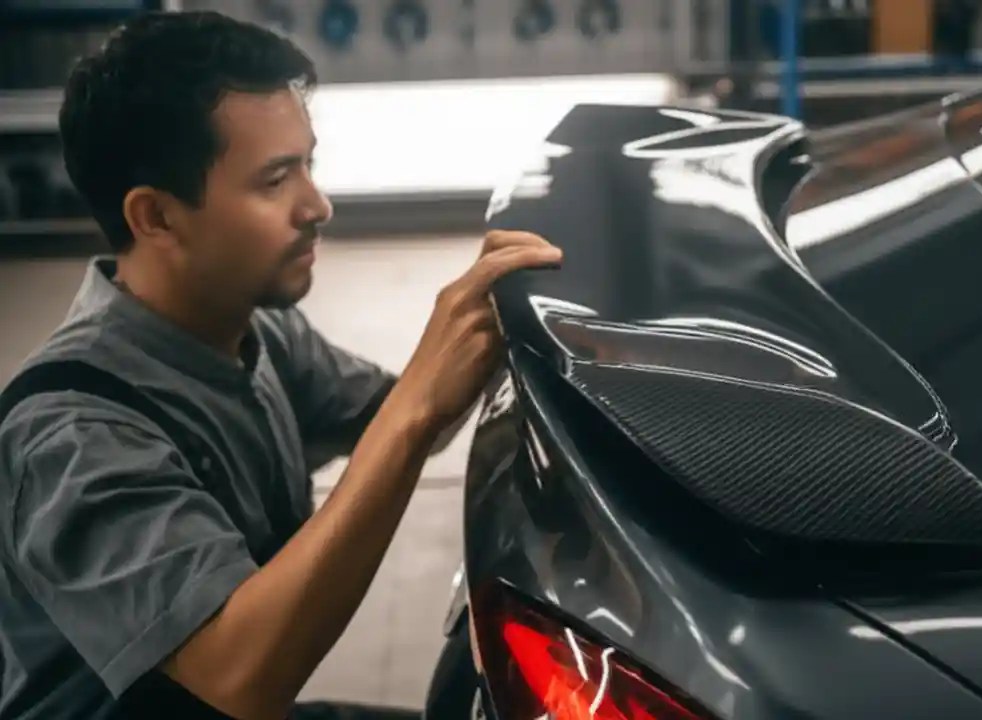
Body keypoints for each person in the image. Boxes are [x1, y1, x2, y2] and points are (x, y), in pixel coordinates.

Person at [0, 10, 561, 720]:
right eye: (273, 181)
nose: (318, 205)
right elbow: (242, 679)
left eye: (309, 165)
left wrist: (493, 324)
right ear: (157, 218)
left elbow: (396, 414)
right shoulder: (73, 436)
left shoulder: (256, 328)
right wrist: (419, 405)